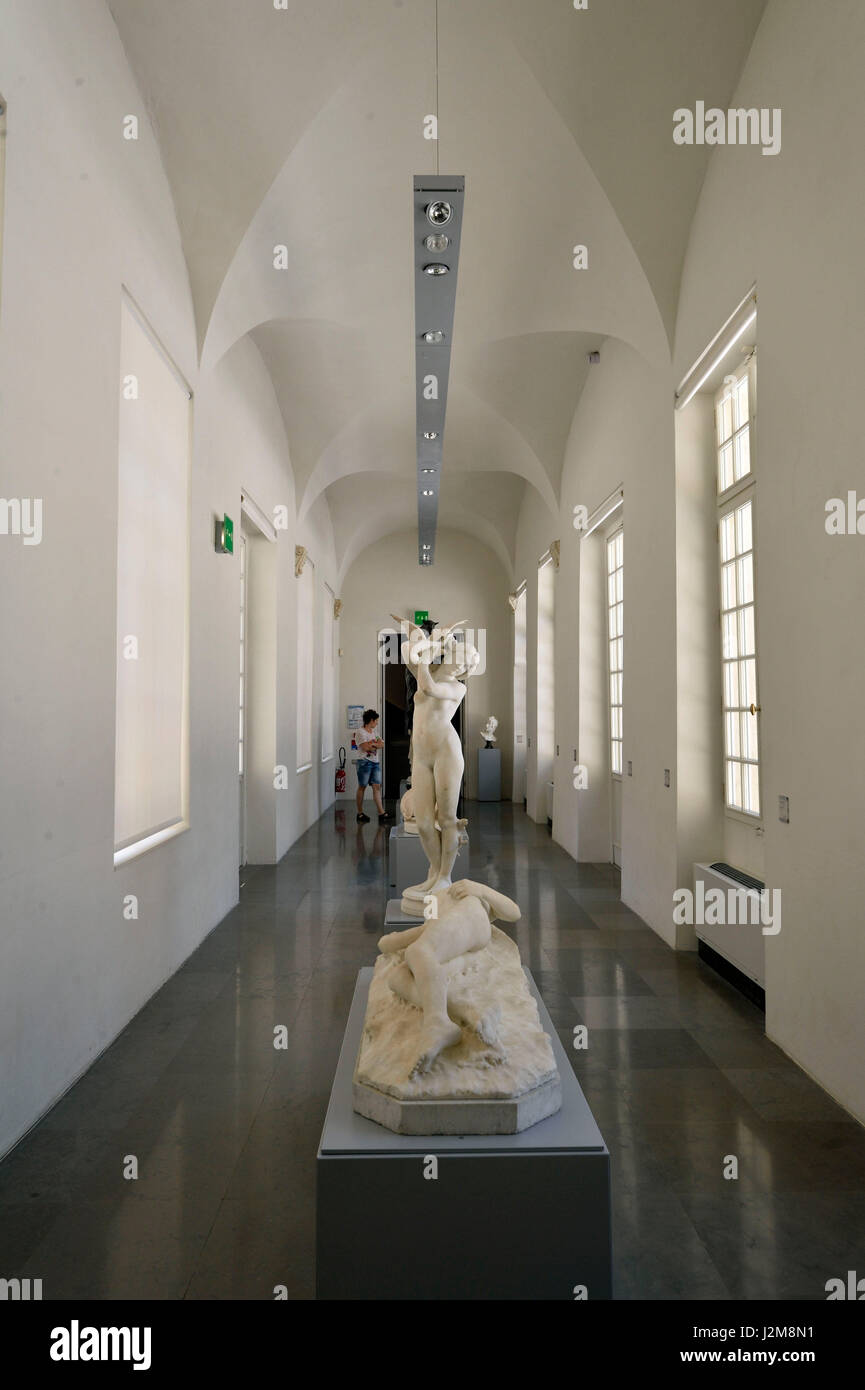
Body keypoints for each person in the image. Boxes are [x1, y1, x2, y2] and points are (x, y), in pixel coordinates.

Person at [355, 709, 392, 824]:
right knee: (362, 787)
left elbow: (382, 744)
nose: (377, 723)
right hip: (364, 762)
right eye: (376, 721)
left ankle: (381, 813)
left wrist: (373, 744)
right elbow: (366, 748)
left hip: (375, 763)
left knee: (377, 786)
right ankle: (360, 813)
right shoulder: (360, 732)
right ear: (371, 721)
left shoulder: (374, 733)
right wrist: (375, 745)